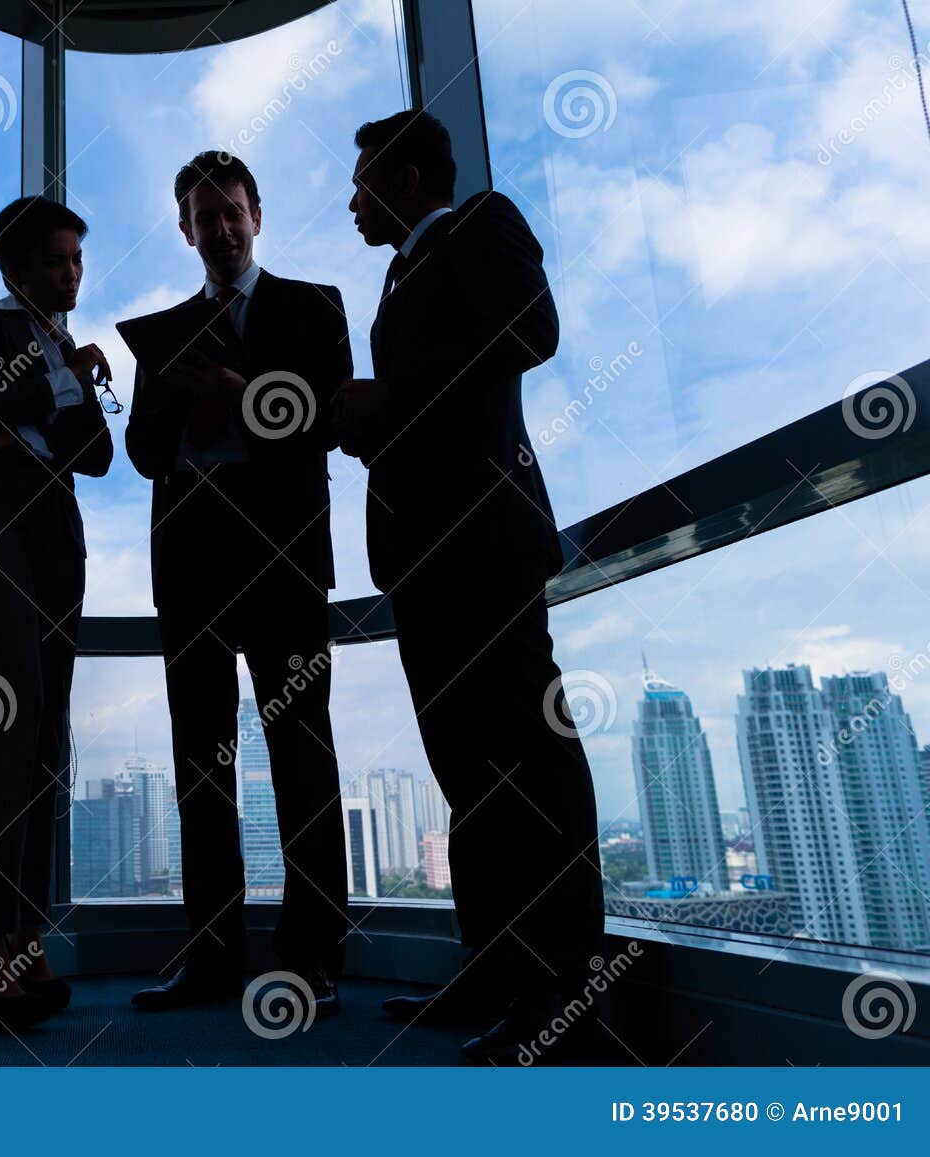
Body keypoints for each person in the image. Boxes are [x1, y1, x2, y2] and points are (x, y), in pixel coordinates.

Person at [332, 110, 606, 1061]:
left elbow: (530, 331)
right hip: (425, 551)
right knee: (469, 771)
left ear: (408, 179)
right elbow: (428, 403)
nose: (350, 199)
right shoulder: (401, 270)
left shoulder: (479, 221)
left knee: (528, 760)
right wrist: (361, 417)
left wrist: (387, 398)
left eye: (363, 180)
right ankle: (497, 968)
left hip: (483, 538)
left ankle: (564, 990)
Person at [125, 151, 350, 1014]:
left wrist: (239, 392)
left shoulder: (312, 306)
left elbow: (330, 418)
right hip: (190, 570)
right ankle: (212, 957)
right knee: (200, 766)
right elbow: (145, 455)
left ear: (257, 214)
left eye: (232, 211)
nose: (220, 227)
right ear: (185, 231)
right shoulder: (163, 333)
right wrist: (188, 406)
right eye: (203, 216)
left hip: (284, 562)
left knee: (303, 756)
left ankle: (312, 958)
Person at [0, 195, 115, 1033]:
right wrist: (63, 384)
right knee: (12, 707)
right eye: (53, 263)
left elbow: (99, 455)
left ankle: (21, 927)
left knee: (47, 731)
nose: (70, 275)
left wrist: (29, 409)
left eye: (76, 260)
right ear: (13, 269)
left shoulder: (63, 347)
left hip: (52, 534)